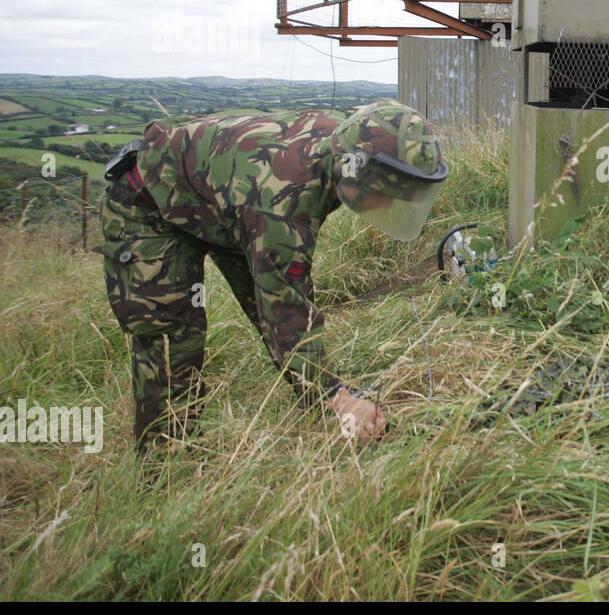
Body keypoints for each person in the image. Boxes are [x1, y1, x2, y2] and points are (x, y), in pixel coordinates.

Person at [97, 99, 448, 454]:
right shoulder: (282, 206)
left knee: (278, 306)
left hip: (225, 203)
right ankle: (164, 464)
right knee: (176, 336)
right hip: (148, 200)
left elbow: (287, 304)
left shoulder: (346, 140)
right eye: (387, 192)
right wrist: (341, 398)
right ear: (356, 169)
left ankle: (320, 410)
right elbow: (286, 314)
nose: (389, 204)